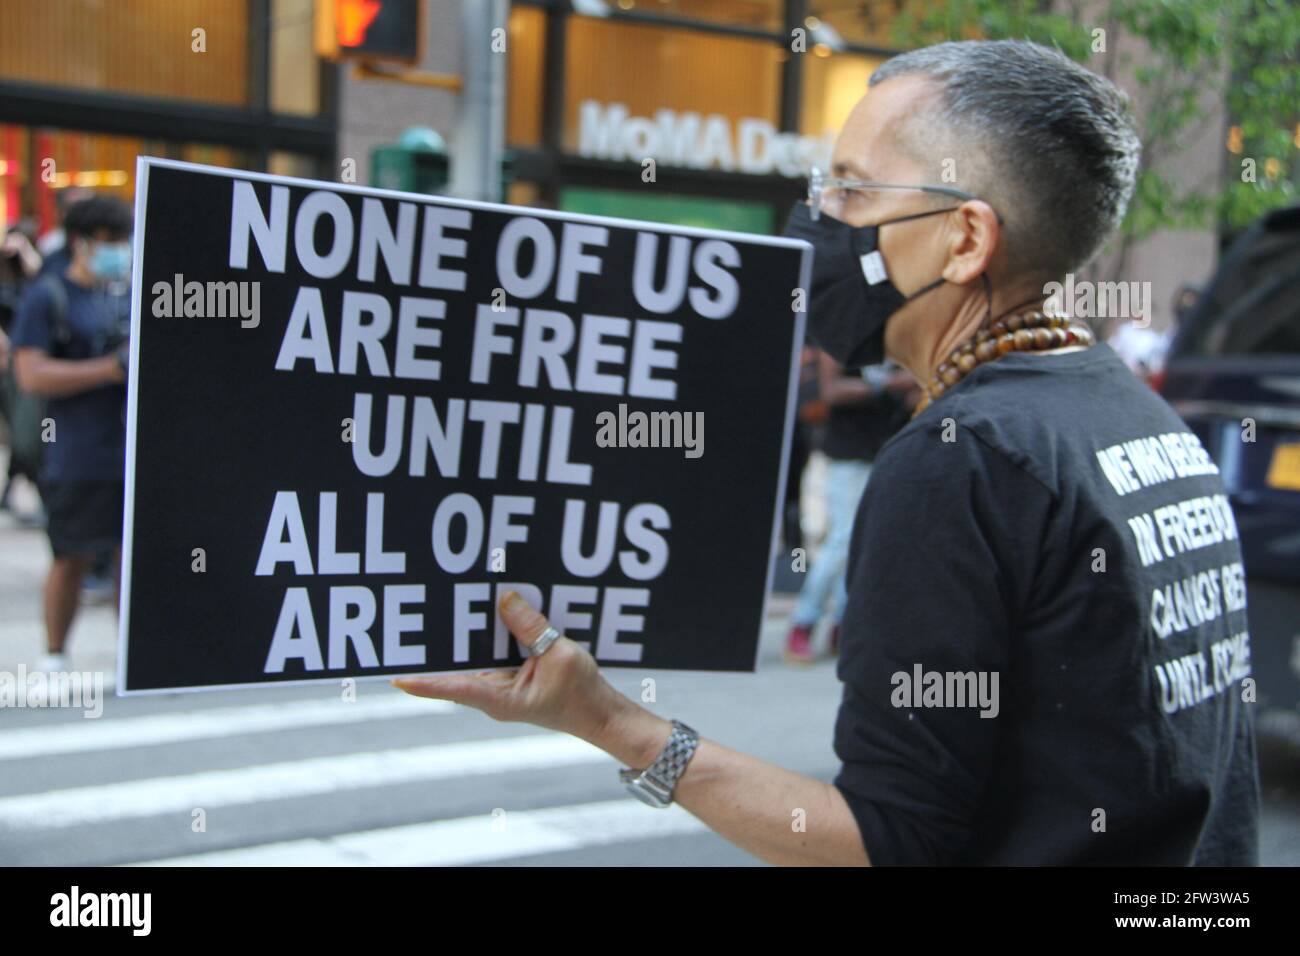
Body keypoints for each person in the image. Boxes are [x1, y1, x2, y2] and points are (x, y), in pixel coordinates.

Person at [394, 40, 1259, 865]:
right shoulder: (1139, 419)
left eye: (852, 191)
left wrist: (608, 720)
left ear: (965, 238)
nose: (819, 219)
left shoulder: (961, 462)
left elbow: (886, 843)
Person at [11, 195, 131, 673]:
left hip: (127, 450)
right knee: (72, 556)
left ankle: (132, 654)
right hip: (75, 452)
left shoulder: (123, 294)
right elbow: (32, 375)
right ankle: (54, 655)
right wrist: (109, 369)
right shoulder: (49, 296)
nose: (118, 251)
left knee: (131, 555)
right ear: (82, 243)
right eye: (109, 243)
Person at [784, 355, 910, 663]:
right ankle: (803, 623)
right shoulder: (842, 334)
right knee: (843, 538)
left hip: (888, 447)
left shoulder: (895, 330)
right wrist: (888, 383)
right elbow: (832, 391)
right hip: (849, 454)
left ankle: (843, 625)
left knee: (868, 542)